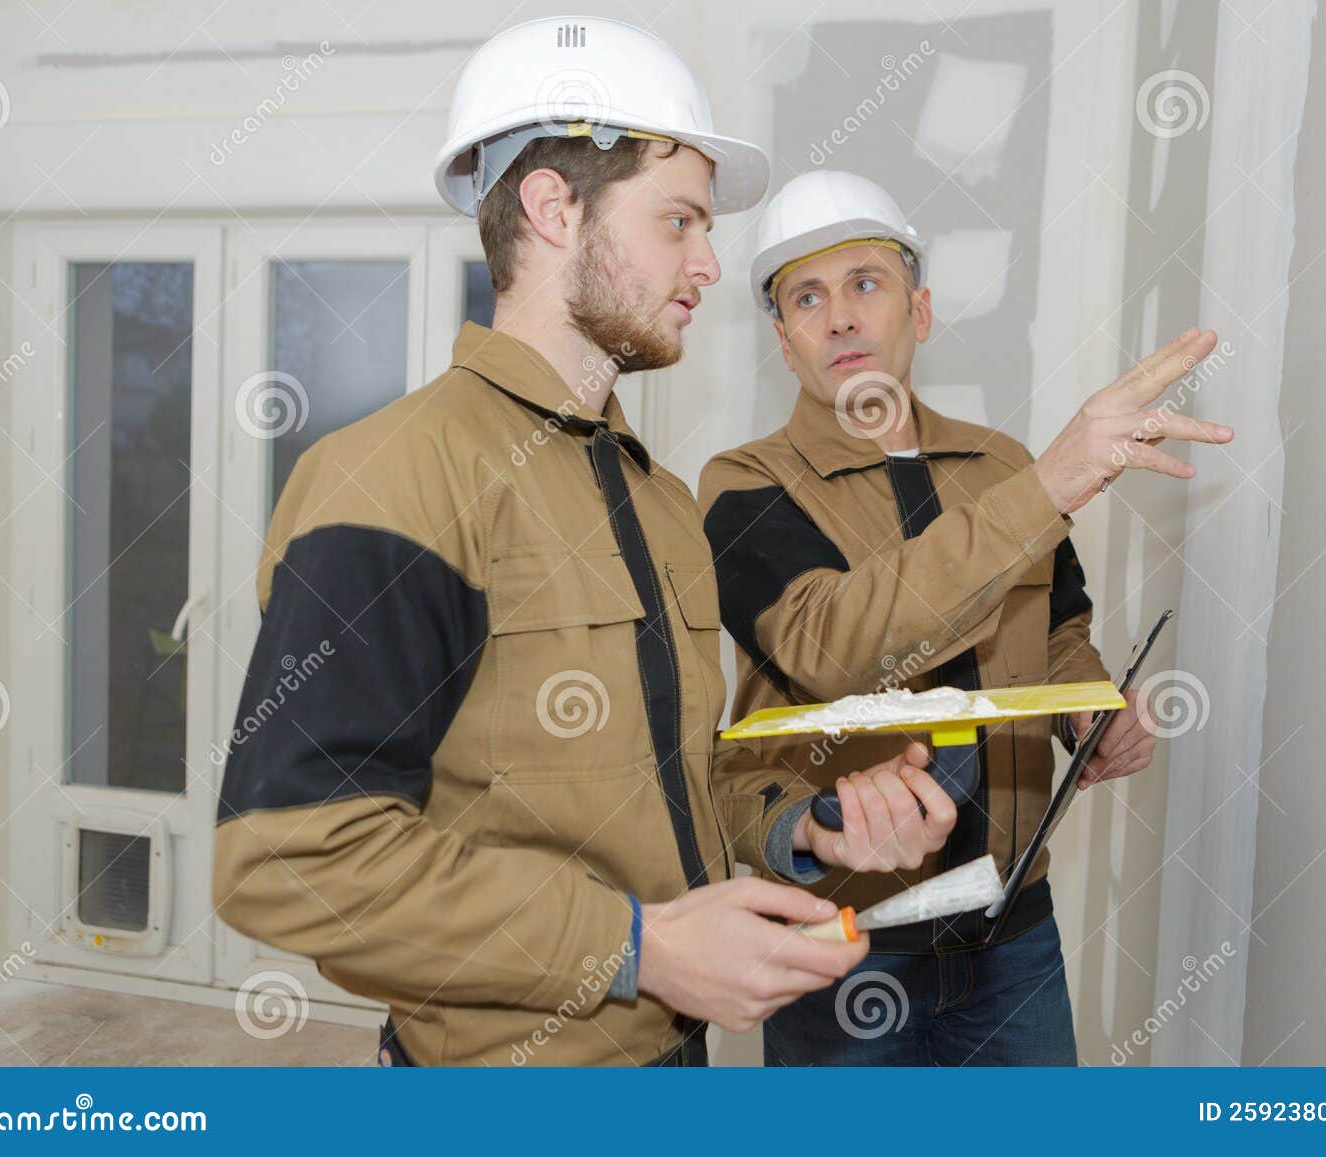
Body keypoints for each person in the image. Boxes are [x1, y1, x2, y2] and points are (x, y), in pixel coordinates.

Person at [212, 21, 956, 1068]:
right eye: (680, 220)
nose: (708, 263)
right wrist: (637, 947)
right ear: (554, 207)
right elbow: (288, 858)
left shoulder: (654, 498)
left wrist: (807, 827)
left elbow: (670, 785)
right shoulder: (396, 473)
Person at [700, 170, 1234, 1066]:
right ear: (784, 343)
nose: (839, 317)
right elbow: (831, 647)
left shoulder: (1001, 467)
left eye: (866, 284)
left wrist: (1084, 712)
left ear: (921, 312)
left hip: (1013, 937)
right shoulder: (744, 485)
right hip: (840, 944)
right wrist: (1050, 488)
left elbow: (1059, 627)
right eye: (806, 298)